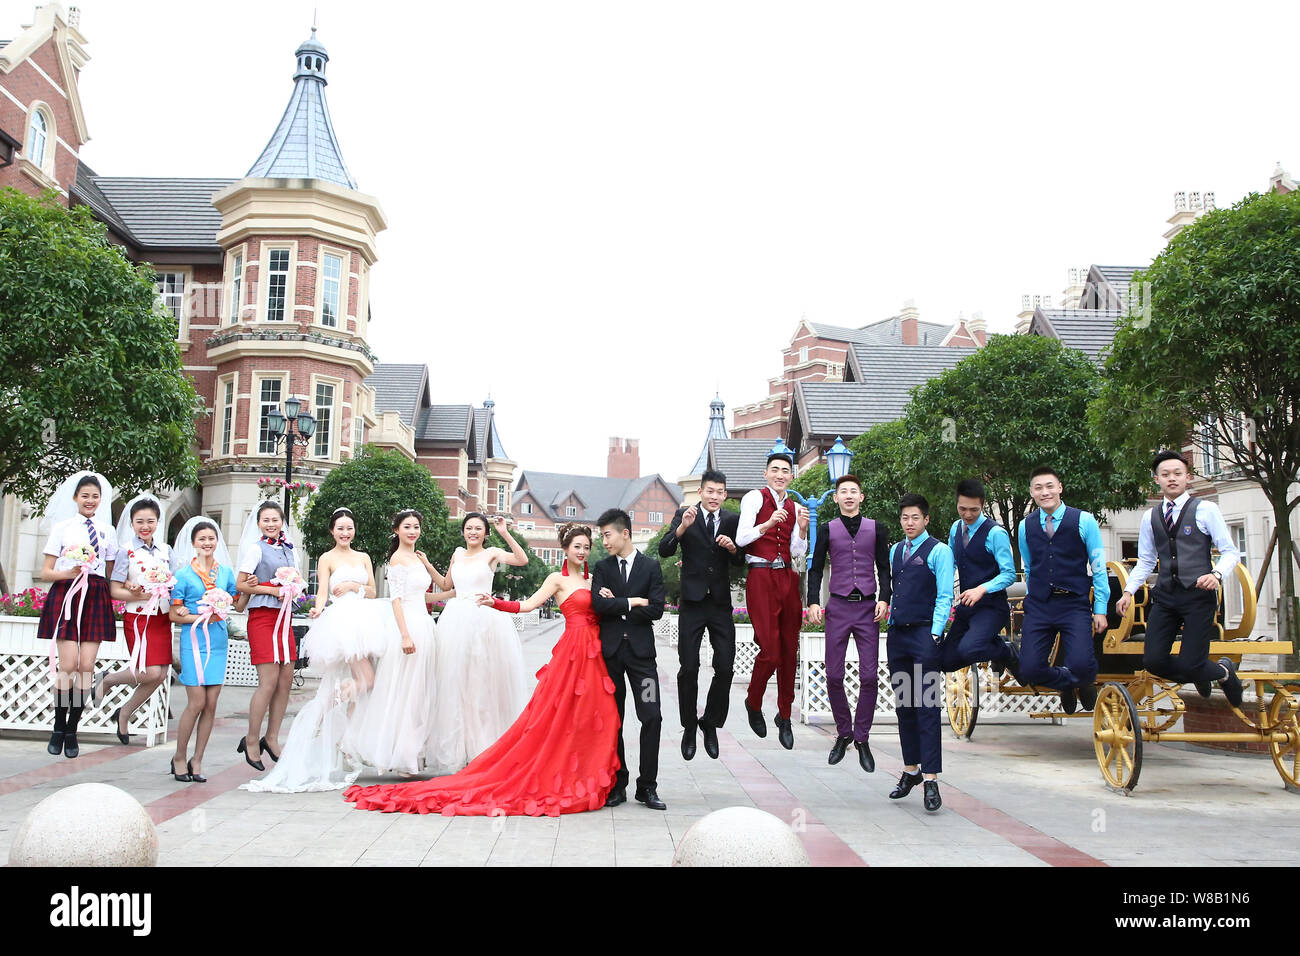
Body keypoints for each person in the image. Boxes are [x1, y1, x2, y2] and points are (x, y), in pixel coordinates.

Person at [344, 524, 622, 816]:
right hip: (467, 621)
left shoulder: (594, 581)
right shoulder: (552, 577)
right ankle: (470, 753)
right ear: (566, 549)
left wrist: (617, 599)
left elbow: (524, 561)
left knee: (590, 712)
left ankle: (588, 770)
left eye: (586, 547)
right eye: (576, 546)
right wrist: (491, 600)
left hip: (590, 652)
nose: (581, 551)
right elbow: (451, 588)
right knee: (458, 687)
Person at [243, 507, 393, 793]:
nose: (345, 533)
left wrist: (352, 585)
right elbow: (322, 591)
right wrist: (316, 609)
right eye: (340, 528)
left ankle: (345, 743)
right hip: (343, 623)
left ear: (354, 530)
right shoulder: (326, 558)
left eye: (349, 528)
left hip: (366, 619)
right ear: (332, 531)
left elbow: (374, 590)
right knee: (367, 681)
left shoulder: (363, 557)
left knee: (363, 687)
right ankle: (321, 711)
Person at [1116, 451, 1244, 706]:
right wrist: (1128, 591)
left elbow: (1231, 552)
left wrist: (1216, 574)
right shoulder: (1150, 517)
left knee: (1190, 663)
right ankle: (1213, 672)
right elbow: (1147, 560)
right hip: (1165, 596)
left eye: (1177, 474)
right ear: (1156, 480)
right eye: (1165, 475)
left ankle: (1223, 673)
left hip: (1198, 597)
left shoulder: (1206, 509)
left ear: (1188, 477)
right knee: (1153, 661)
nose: (1171, 479)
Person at [340, 509, 453, 775]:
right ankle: (399, 755)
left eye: (416, 526)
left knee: (419, 692)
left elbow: (419, 598)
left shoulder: (417, 557)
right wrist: (404, 634)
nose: (412, 531)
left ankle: (411, 753)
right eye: (407, 527)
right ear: (396, 530)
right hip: (407, 628)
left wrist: (451, 593)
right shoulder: (398, 560)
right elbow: (397, 599)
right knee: (403, 692)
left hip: (425, 626)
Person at [430, 513, 530, 772]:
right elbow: (447, 584)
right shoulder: (457, 554)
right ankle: (457, 748)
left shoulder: (493, 553)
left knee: (480, 683)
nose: (472, 532)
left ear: (485, 533)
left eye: (478, 529)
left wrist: (505, 532)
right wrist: (427, 567)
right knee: (453, 683)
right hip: (454, 620)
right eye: (468, 528)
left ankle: (483, 749)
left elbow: (522, 559)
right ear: (463, 531)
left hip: (482, 620)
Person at [805, 473, 891, 772]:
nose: (849, 495)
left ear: (861, 497)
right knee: (833, 675)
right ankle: (844, 733)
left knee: (869, 676)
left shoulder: (876, 528)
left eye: (854, 491)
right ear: (837, 497)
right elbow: (814, 569)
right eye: (844, 491)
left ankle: (862, 737)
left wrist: (884, 597)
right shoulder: (827, 529)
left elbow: (884, 566)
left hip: (868, 607)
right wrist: (813, 601)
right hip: (838, 607)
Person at [657, 468, 744, 761]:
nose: (715, 496)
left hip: (720, 604)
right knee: (689, 667)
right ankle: (689, 726)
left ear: (724, 494)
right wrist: (681, 528)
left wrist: (733, 548)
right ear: (701, 492)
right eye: (710, 491)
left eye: (720, 492)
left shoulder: (732, 520)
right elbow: (665, 549)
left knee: (726, 667)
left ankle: (711, 723)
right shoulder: (685, 513)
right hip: (692, 604)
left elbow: (743, 559)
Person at [35, 471, 117, 759]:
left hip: (94, 595)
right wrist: (66, 573)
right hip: (67, 592)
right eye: (85, 496)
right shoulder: (63, 527)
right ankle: (58, 726)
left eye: (95, 496)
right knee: (67, 665)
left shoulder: (108, 530)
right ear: (75, 498)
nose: (90, 501)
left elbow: (110, 573)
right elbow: (46, 572)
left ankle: (72, 729)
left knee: (85, 666)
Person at [1016, 466, 1109, 715]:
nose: (1044, 492)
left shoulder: (1084, 520)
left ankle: (1079, 680)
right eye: (1038, 488)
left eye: (1049, 486)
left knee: (1082, 664)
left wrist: (1100, 609)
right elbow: (1031, 566)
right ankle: (1070, 683)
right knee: (1028, 671)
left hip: (1073, 603)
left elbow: (1098, 567)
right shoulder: (1025, 526)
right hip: (1039, 605)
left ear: (1059, 488)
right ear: (1032, 493)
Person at [590, 508, 667, 810]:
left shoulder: (651, 567)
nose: (604, 541)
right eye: (602, 536)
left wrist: (617, 605)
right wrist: (633, 602)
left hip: (642, 659)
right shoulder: (602, 568)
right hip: (610, 657)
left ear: (625, 533)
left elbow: (657, 609)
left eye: (607, 535)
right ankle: (617, 784)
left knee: (652, 715)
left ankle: (647, 787)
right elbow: (597, 605)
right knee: (614, 720)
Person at [736, 448, 809, 749]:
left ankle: (785, 715)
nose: (780, 476)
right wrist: (766, 525)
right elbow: (741, 539)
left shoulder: (793, 505)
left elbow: (798, 552)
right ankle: (753, 702)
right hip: (761, 575)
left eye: (785, 471)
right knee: (769, 649)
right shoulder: (755, 498)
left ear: (791, 476)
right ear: (766, 474)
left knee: (789, 650)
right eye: (775, 470)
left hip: (787, 577)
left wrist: (802, 530)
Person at [885, 494, 954, 812]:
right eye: (904, 518)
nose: (909, 523)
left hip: (925, 635)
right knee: (904, 707)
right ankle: (910, 769)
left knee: (926, 706)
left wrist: (936, 632)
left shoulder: (940, 551)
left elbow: (944, 595)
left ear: (926, 519)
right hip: (898, 636)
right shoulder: (895, 551)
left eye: (915, 517)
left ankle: (931, 780)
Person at [168, 517, 244, 782]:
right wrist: (201, 616)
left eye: (211, 539)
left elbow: (237, 601)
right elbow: (174, 615)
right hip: (194, 641)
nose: (207, 543)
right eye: (202, 539)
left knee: (211, 703)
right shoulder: (183, 575)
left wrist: (251, 584)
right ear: (193, 543)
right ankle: (179, 755)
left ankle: (197, 759)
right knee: (196, 701)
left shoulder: (224, 573)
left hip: (218, 640)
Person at [95, 495, 174, 745]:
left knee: (160, 675)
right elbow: (115, 590)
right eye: (139, 521)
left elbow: (173, 584)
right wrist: (136, 592)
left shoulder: (166, 551)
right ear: (132, 523)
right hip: (139, 617)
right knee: (149, 672)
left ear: (158, 523)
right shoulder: (125, 552)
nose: (145, 526)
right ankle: (107, 679)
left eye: (150, 521)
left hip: (161, 618)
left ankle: (124, 714)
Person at [235, 501, 301, 770]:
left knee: (286, 679)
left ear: (282, 522)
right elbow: (240, 584)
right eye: (266, 520)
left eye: (276, 520)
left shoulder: (289, 548)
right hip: (262, 616)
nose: (271, 524)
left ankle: (271, 737)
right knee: (269, 681)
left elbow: (295, 581)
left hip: (284, 617)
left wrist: (293, 588)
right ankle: (251, 738)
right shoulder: (255, 549)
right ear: (259, 523)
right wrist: (271, 590)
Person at [940, 478, 1017, 677]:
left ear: (982, 504)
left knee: (969, 649)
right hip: (966, 609)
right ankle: (996, 646)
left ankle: (1005, 652)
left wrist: (982, 589)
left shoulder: (996, 533)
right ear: (956, 503)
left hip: (991, 608)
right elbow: (951, 564)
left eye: (974, 510)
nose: (967, 514)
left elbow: (1009, 574)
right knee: (945, 661)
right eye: (962, 508)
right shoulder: (955, 528)